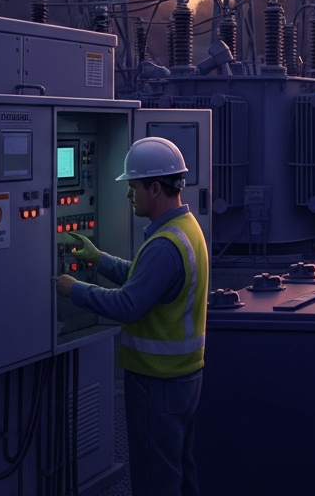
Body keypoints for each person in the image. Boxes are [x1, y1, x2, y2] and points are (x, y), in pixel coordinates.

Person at [55, 137, 209, 496]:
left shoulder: (164, 244)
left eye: (133, 186)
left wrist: (74, 289)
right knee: (179, 472)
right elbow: (144, 281)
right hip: (183, 378)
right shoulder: (185, 230)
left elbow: (128, 304)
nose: (128, 195)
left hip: (158, 382)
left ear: (155, 188)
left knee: (155, 479)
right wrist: (99, 259)